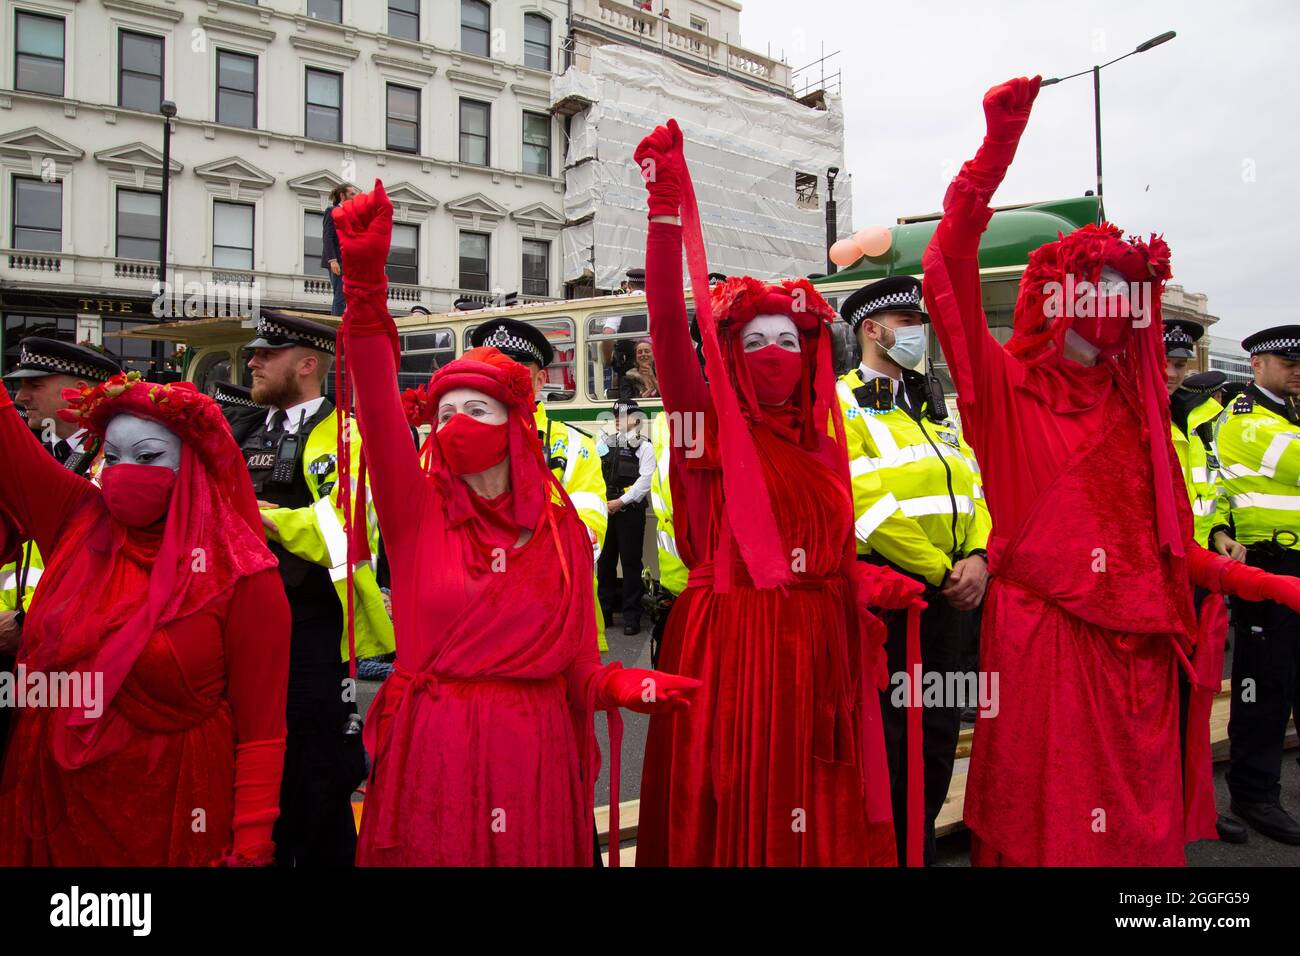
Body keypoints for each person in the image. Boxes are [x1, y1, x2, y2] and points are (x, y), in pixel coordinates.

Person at [921, 76, 1300, 865]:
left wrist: (1267, 584)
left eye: (1133, 291)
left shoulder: (1141, 414)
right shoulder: (1005, 390)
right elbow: (946, 267)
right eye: (1103, 285)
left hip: (1144, 664)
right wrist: (994, 153)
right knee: (1049, 828)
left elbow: (1155, 552)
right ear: (1057, 293)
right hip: (1050, 653)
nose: (1120, 303)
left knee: (1136, 835)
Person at [330, 180, 699, 865]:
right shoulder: (415, 514)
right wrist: (364, 286)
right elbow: (379, 402)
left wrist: (619, 683)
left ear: (516, 427)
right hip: (437, 752)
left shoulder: (559, 532)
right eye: (443, 416)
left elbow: (576, 668)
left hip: (535, 753)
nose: (454, 428)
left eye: (476, 412)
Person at [633, 119, 924, 866]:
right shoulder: (707, 430)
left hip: (820, 647)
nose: (771, 355)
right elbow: (669, 325)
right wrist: (664, 214)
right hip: (732, 643)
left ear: (809, 358)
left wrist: (873, 583)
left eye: (786, 342)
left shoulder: (824, 447)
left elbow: (823, 554)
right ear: (730, 355)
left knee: (816, 799)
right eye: (753, 342)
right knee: (737, 795)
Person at [0, 371, 290, 864]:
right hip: (58, 814)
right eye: (112, 458)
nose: (125, 471)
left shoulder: (241, 574)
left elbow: (262, 731)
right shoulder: (75, 519)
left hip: (174, 815)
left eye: (149, 457)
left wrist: (252, 845)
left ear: (193, 463)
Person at [230, 309, 395, 867]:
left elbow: (348, 532)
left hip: (315, 633)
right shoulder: (241, 429)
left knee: (321, 780)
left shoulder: (351, 434)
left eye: (264, 355)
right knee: (253, 778)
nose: (251, 362)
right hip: (241, 627)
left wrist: (264, 518)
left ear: (305, 365)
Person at [836, 274, 992, 865]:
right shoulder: (842, 400)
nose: (918, 332)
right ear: (871, 330)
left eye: (919, 321)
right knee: (892, 737)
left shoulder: (932, 404)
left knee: (938, 732)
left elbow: (974, 488)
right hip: (896, 599)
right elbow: (863, 504)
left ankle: (918, 842)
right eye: (906, 323)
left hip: (951, 593)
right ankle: (896, 852)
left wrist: (977, 557)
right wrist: (943, 571)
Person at [0, 339, 121, 777]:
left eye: (34, 384)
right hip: (27, 654)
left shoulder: (118, 463)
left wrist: (29, 621)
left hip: (81, 659)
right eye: (17, 386)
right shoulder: (51, 452)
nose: (20, 397)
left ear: (82, 389)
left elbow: (102, 562)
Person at [470, 317, 611, 651]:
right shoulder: (453, 443)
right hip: (472, 621)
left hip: (557, 622)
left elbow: (587, 537)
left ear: (540, 378)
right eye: (494, 365)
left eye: (516, 366)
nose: (504, 375)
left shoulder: (576, 446)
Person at [1216, 325, 1300, 845]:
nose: (1297, 369)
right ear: (1257, 365)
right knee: (1264, 684)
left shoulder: (1288, 413)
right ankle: (1253, 791)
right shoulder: (1246, 421)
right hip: (1268, 564)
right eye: (1287, 362)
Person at [1165, 325, 1247, 844]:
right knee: (1157, 702)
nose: (1173, 372)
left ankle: (1189, 802)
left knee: (1193, 701)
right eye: (1163, 360)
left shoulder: (1194, 421)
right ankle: (1162, 804)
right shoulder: (1128, 415)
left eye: (1179, 362)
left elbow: (1204, 495)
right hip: (1154, 584)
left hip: (1198, 579)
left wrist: (1216, 532)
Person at [598, 399, 656, 635]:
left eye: (622, 415)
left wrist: (620, 501)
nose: (617, 419)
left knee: (631, 564)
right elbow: (595, 471)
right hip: (606, 510)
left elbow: (645, 481)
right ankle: (604, 613)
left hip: (629, 512)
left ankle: (632, 616)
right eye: (615, 416)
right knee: (605, 563)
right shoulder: (604, 443)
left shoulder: (645, 447)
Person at [322, 184, 359, 317]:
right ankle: (336, 325)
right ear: (342, 196)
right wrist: (332, 260)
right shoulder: (331, 211)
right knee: (341, 294)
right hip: (337, 259)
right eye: (352, 194)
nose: (355, 197)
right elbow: (328, 236)